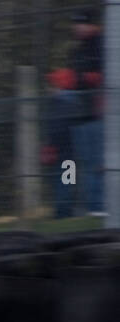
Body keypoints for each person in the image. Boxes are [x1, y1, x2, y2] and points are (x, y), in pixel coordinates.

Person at [69, 10, 104, 214]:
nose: (77, 28)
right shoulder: (78, 50)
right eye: (75, 24)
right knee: (76, 163)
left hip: (97, 112)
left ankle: (97, 206)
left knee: (97, 162)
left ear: (90, 24)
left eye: (80, 24)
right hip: (79, 114)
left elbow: (100, 76)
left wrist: (83, 79)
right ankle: (83, 207)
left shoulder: (101, 43)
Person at [43, 69, 79, 218]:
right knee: (66, 179)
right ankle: (64, 209)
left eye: (52, 84)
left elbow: (58, 127)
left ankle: (63, 211)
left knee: (65, 179)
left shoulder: (61, 101)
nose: (49, 88)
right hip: (67, 147)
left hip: (65, 148)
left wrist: (52, 143)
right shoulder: (69, 101)